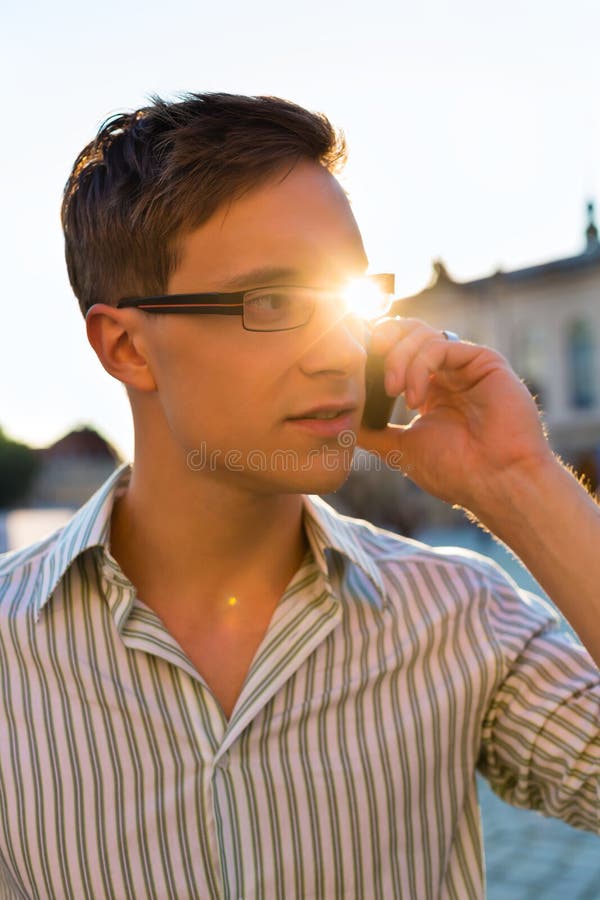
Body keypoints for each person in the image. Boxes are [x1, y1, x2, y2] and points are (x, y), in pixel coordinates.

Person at [0, 92, 598, 900]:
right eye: (275, 304)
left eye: (349, 303)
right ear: (127, 347)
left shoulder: (462, 618)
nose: (339, 354)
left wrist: (520, 483)